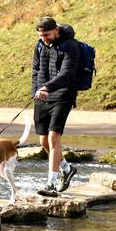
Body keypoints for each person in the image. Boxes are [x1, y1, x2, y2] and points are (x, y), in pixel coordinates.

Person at [31, 16, 80, 196]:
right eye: (41, 36)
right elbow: (35, 71)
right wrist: (35, 92)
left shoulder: (70, 46)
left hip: (63, 96)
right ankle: (67, 169)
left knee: (53, 139)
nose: (44, 38)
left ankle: (51, 184)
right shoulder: (39, 45)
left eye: (47, 35)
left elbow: (67, 74)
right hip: (42, 97)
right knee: (43, 141)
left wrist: (47, 87)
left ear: (56, 30)